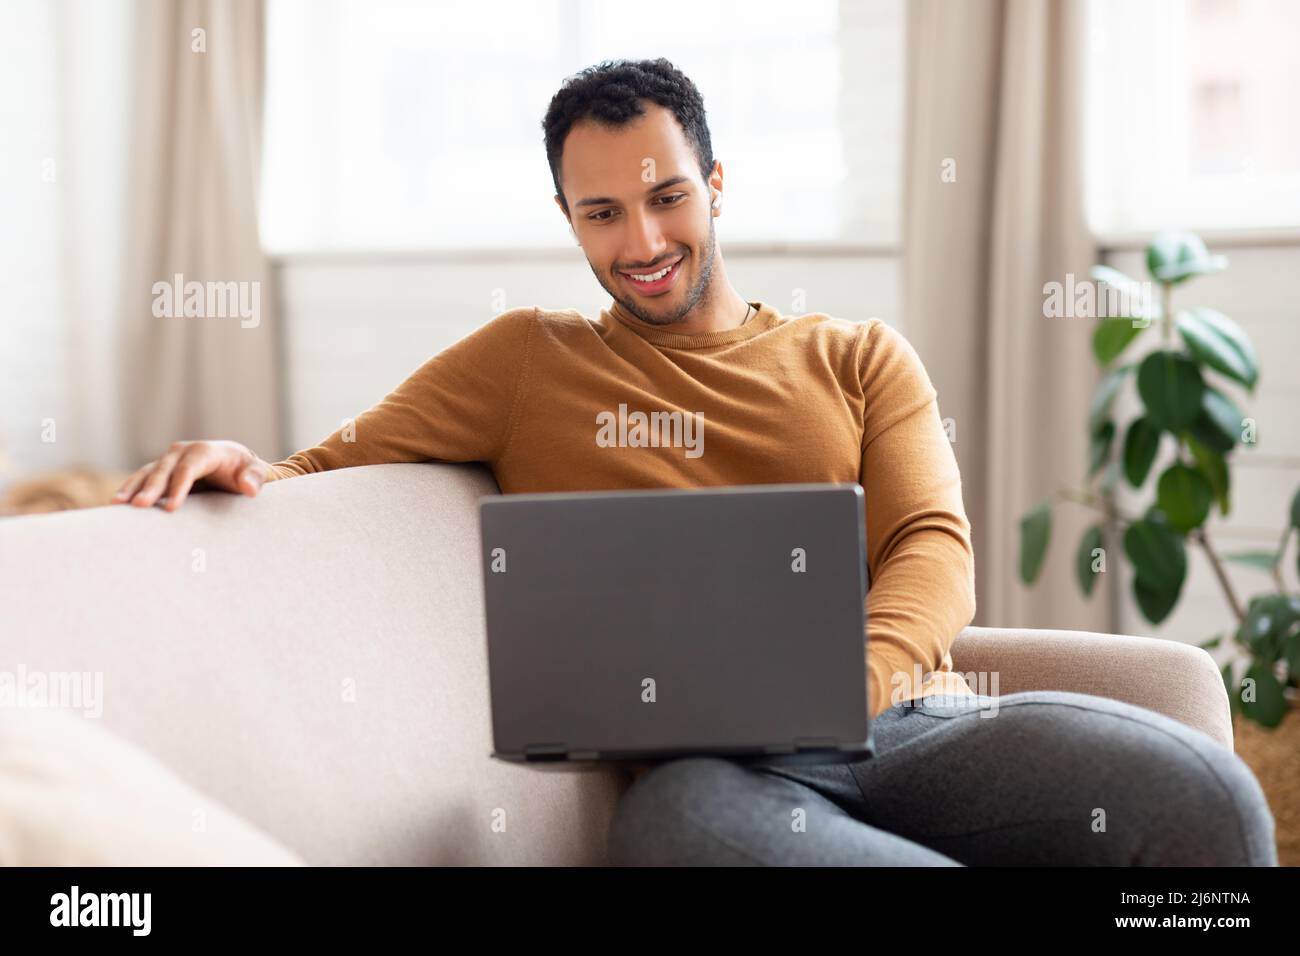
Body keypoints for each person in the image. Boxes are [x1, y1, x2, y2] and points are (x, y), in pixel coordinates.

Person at [113, 58, 1277, 866]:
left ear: (715, 185)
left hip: (904, 722)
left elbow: (932, 547)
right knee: (677, 832)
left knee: (1205, 794)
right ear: (570, 220)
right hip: (708, 774)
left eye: (667, 197)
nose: (643, 242)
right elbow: (331, 465)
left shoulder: (858, 354)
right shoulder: (523, 360)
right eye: (602, 213)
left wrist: (847, 687)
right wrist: (242, 466)